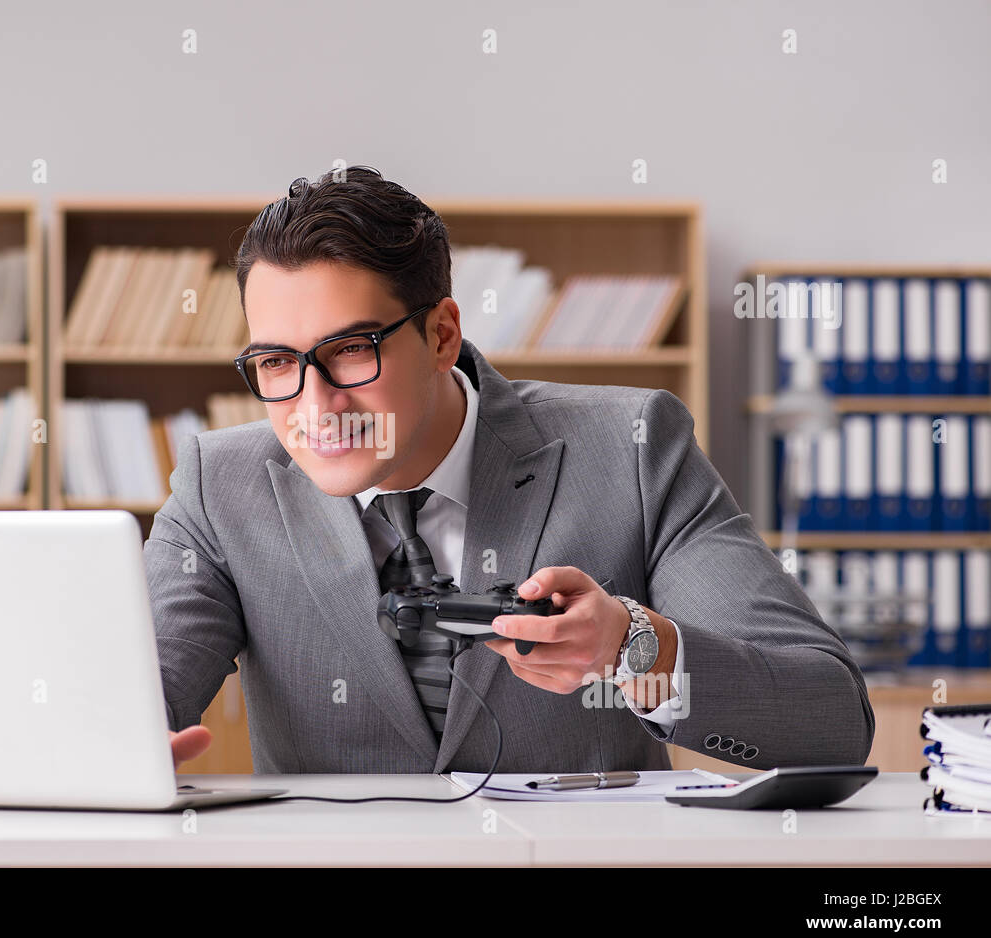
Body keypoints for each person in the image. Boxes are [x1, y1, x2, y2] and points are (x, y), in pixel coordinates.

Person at [149, 166, 874, 774]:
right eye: (277, 362)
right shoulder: (221, 487)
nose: (315, 404)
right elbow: (140, 689)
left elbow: (832, 720)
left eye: (349, 350)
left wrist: (631, 647)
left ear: (441, 335)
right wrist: (114, 735)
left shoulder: (631, 447)